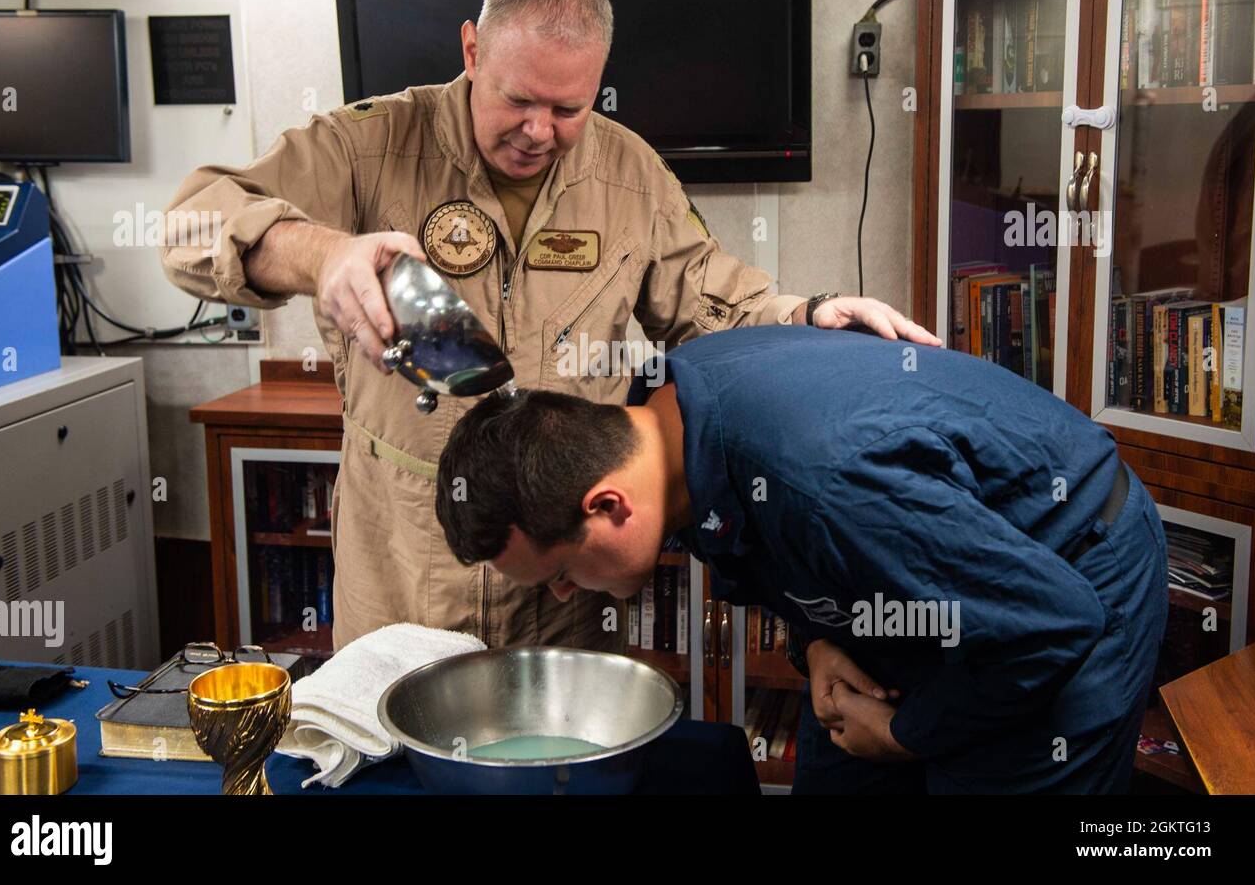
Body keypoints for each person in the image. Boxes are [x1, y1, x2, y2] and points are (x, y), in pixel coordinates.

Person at [159, 0, 939, 652]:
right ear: (471, 50)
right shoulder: (368, 146)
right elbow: (191, 223)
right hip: (405, 572)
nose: (541, 131)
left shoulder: (629, 172)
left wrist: (808, 316)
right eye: (520, 99)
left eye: (571, 109)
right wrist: (322, 254)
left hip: (564, 578)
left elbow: (711, 298)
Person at [434, 325, 1169, 793]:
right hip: (925, 575)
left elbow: (1050, 623)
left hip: (1063, 577)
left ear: (608, 505)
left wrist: (909, 734)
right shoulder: (663, 421)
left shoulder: (822, 478)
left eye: (560, 571)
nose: (565, 594)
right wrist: (815, 641)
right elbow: (785, 547)